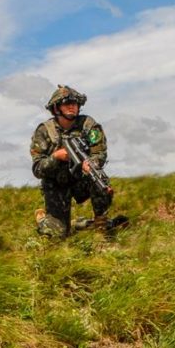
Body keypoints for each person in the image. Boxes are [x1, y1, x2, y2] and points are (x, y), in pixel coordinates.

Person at [30, 85, 114, 238]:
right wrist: (56, 157)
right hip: (56, 185)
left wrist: (91, 164)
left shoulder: (88, 125)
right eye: (66, 103)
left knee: (100, 180)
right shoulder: (44, 131)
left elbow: (99, 153)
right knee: (58, 235)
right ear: (56, 108)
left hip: (81, 179)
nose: (72, 106)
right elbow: (37, 169)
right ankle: (44, 219)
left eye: (75, 103)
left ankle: (101, 226)